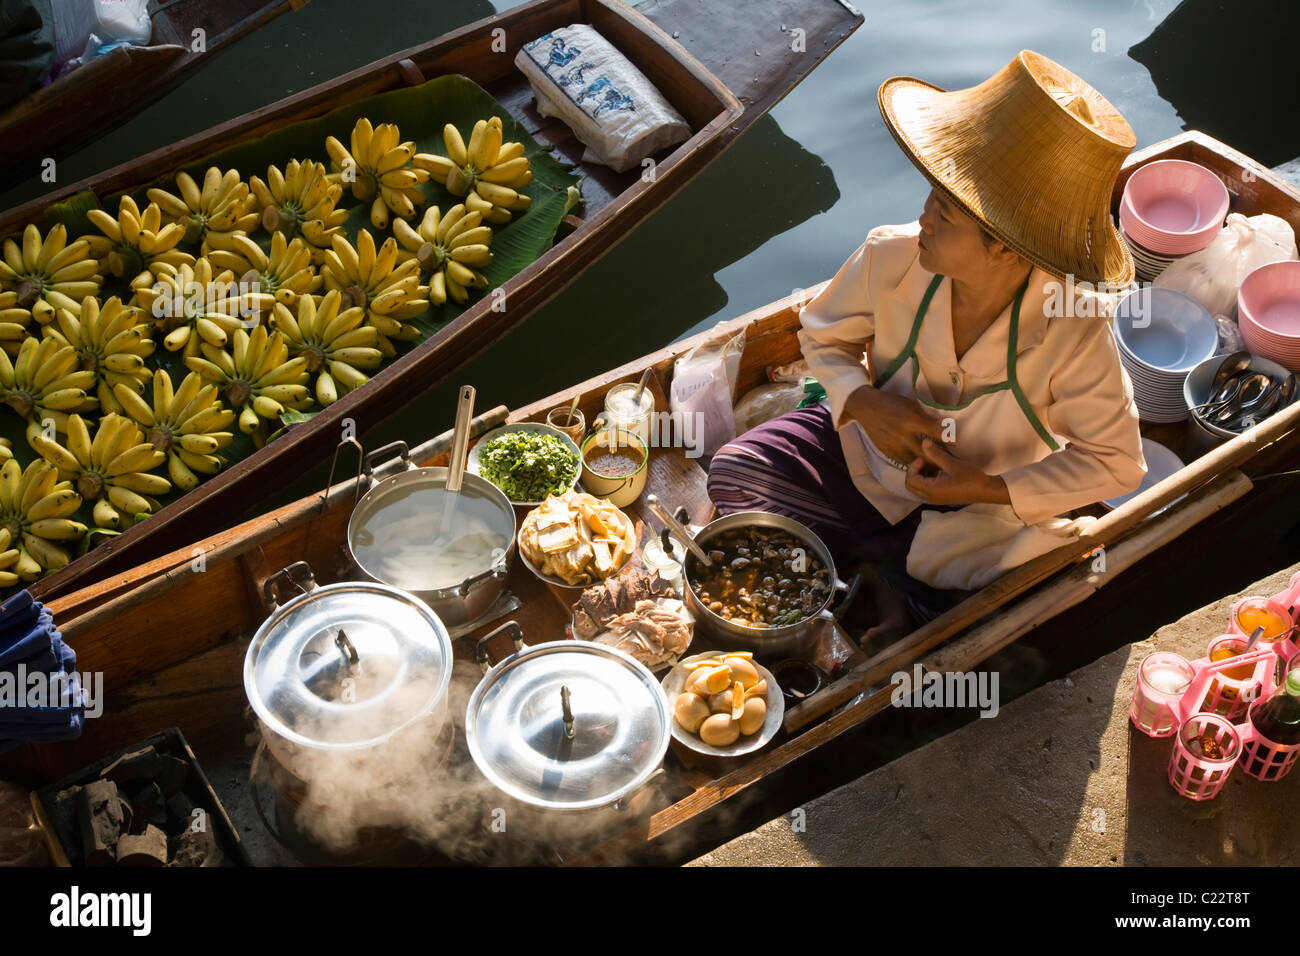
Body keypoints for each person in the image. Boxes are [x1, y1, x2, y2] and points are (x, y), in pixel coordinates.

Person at [707, 51, 1148, 637]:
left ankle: (880, 574)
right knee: (737, 470)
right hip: (864, 454)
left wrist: (986, 486)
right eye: (930, 198)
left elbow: (1117, 466)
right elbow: (822, 337)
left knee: (961, 620)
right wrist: (864, 402)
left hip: (975, 506)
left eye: (943, 211)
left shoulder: (1073, 323)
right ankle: (875, 570)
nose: (923, 219)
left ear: (1007, 247)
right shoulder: (891, 255)